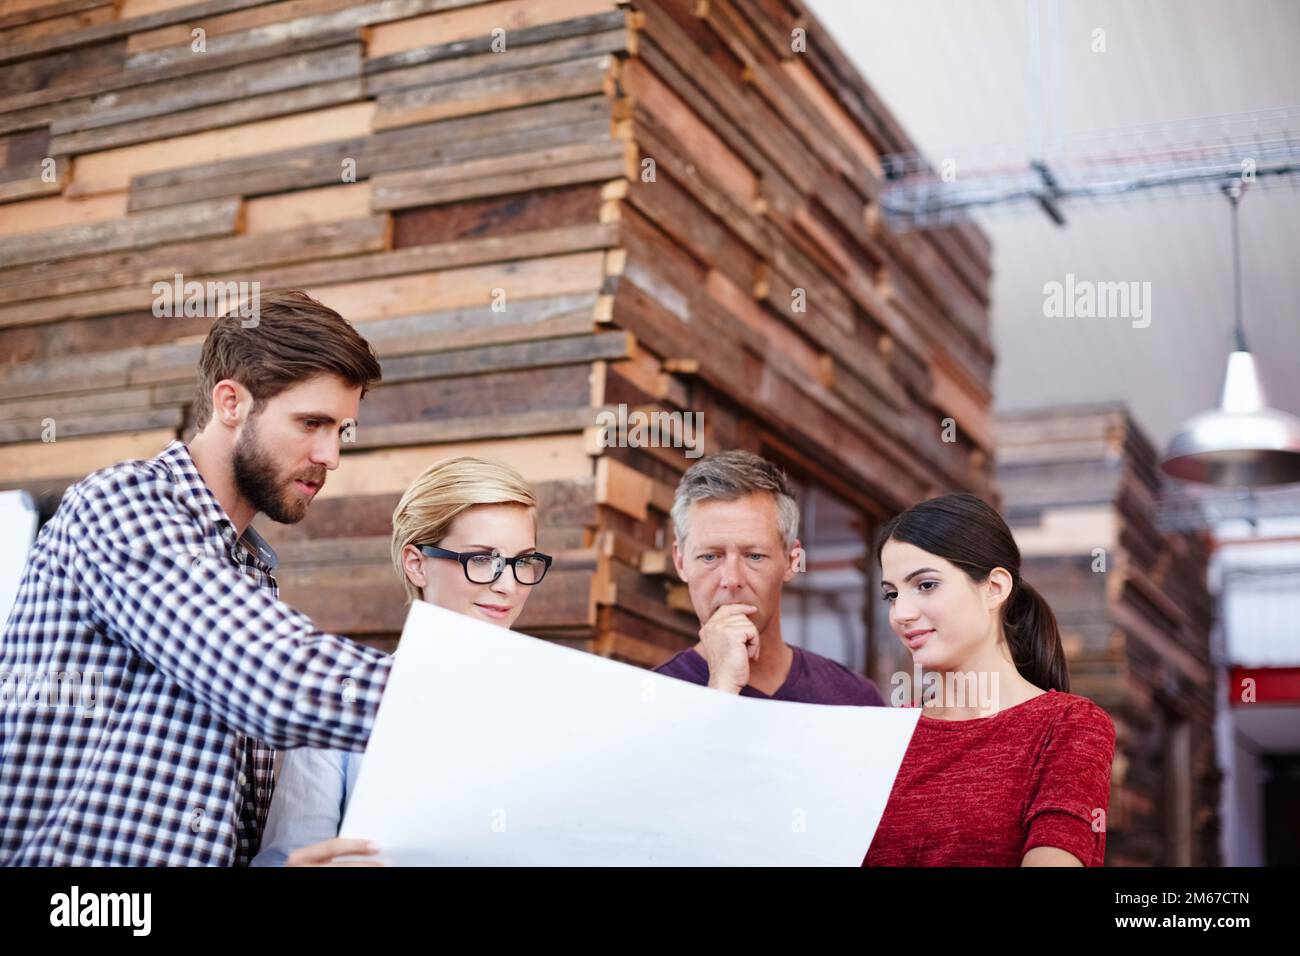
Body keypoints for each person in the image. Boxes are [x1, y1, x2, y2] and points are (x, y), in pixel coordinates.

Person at [0, 291, 394, 866]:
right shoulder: (122, 505)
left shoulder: (247, 578)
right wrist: (482, 702)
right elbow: (276, 678)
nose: (331, 454)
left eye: (343, 431)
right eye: (312, 423)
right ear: (231, 402)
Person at [252, 457, 551, 866]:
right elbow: (289, 858)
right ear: (417, 564)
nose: (508, 585)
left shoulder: (552, 706)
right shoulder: (344, 701)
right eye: (482, 559)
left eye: (523, 561)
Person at [864, 493, 1115, 866]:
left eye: (926, 585)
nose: (901, 612)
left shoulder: (1067, 726)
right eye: (891, 594)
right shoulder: (883, 738)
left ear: (995, 587)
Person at [655, 450, 884, 706]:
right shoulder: (650, 703)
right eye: (710, 557)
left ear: (791, 561)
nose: (732, 579)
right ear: (680, 562)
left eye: (754, 556)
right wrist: (722, 685)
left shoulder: (856, 699)